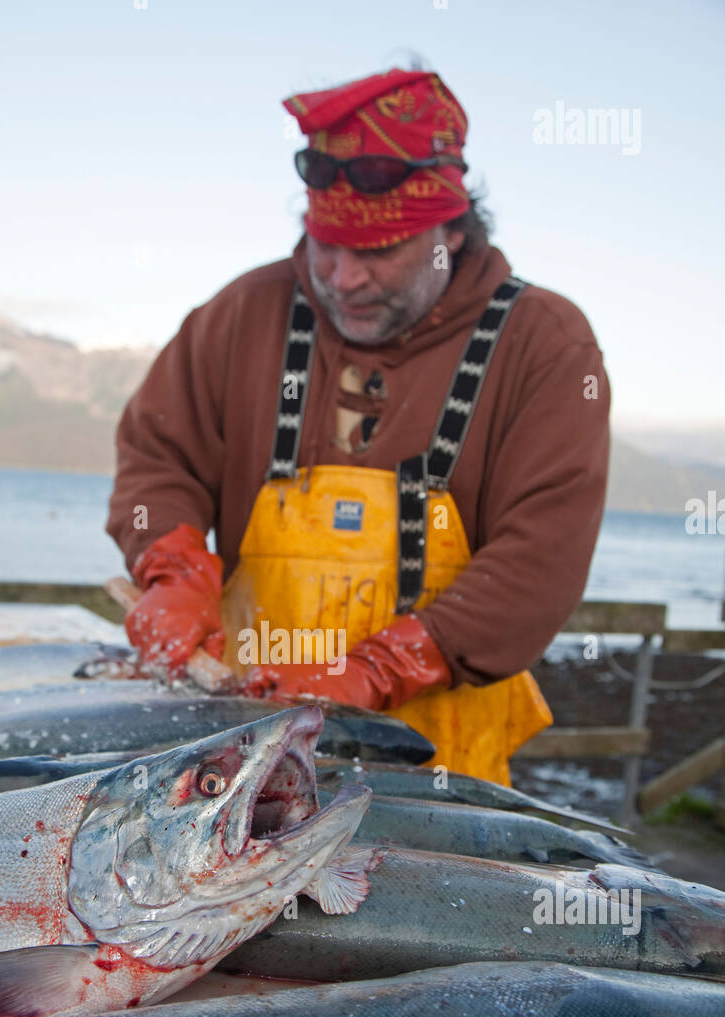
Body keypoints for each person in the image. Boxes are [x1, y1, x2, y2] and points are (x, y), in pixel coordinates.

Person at [107, 67, 610, 785]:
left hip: (441, 768)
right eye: (325, 245)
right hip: (241, 760)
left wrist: (379, 669)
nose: (343, 279)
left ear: (450, 230)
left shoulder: (549, 344)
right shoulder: (240, 314)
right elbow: (156, 460)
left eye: (376, 254)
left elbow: (542, 557)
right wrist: (172, 568)